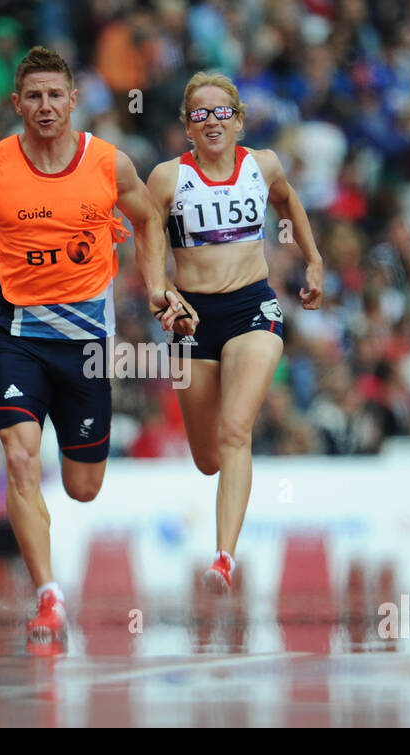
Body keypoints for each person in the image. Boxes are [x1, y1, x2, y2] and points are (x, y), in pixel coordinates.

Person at [0, 46, 197, 651]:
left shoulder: (109, 164)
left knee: (83, 487)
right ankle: (49, 596)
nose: (46, 106)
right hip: (18, 339)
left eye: (56, 95)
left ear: (74, 100)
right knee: (22, 459)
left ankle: (53, 571)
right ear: (17, 103)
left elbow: (149, 219)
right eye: (34, 96)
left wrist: (158, 287)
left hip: (86, 348)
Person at [146, 71, 323, 592]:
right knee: (206, 458)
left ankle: (223, 557)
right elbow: (148, 237)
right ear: (188, 127)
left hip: (253, 308)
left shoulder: (262, 165)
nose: (212, 121)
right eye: (199, 114)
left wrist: (314, 261)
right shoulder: (166, 178)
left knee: (235, 430)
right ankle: (224, 524)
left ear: (239, 120)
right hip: (191, 318)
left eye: (221, 111)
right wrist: (160, 292)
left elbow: (289, 201)